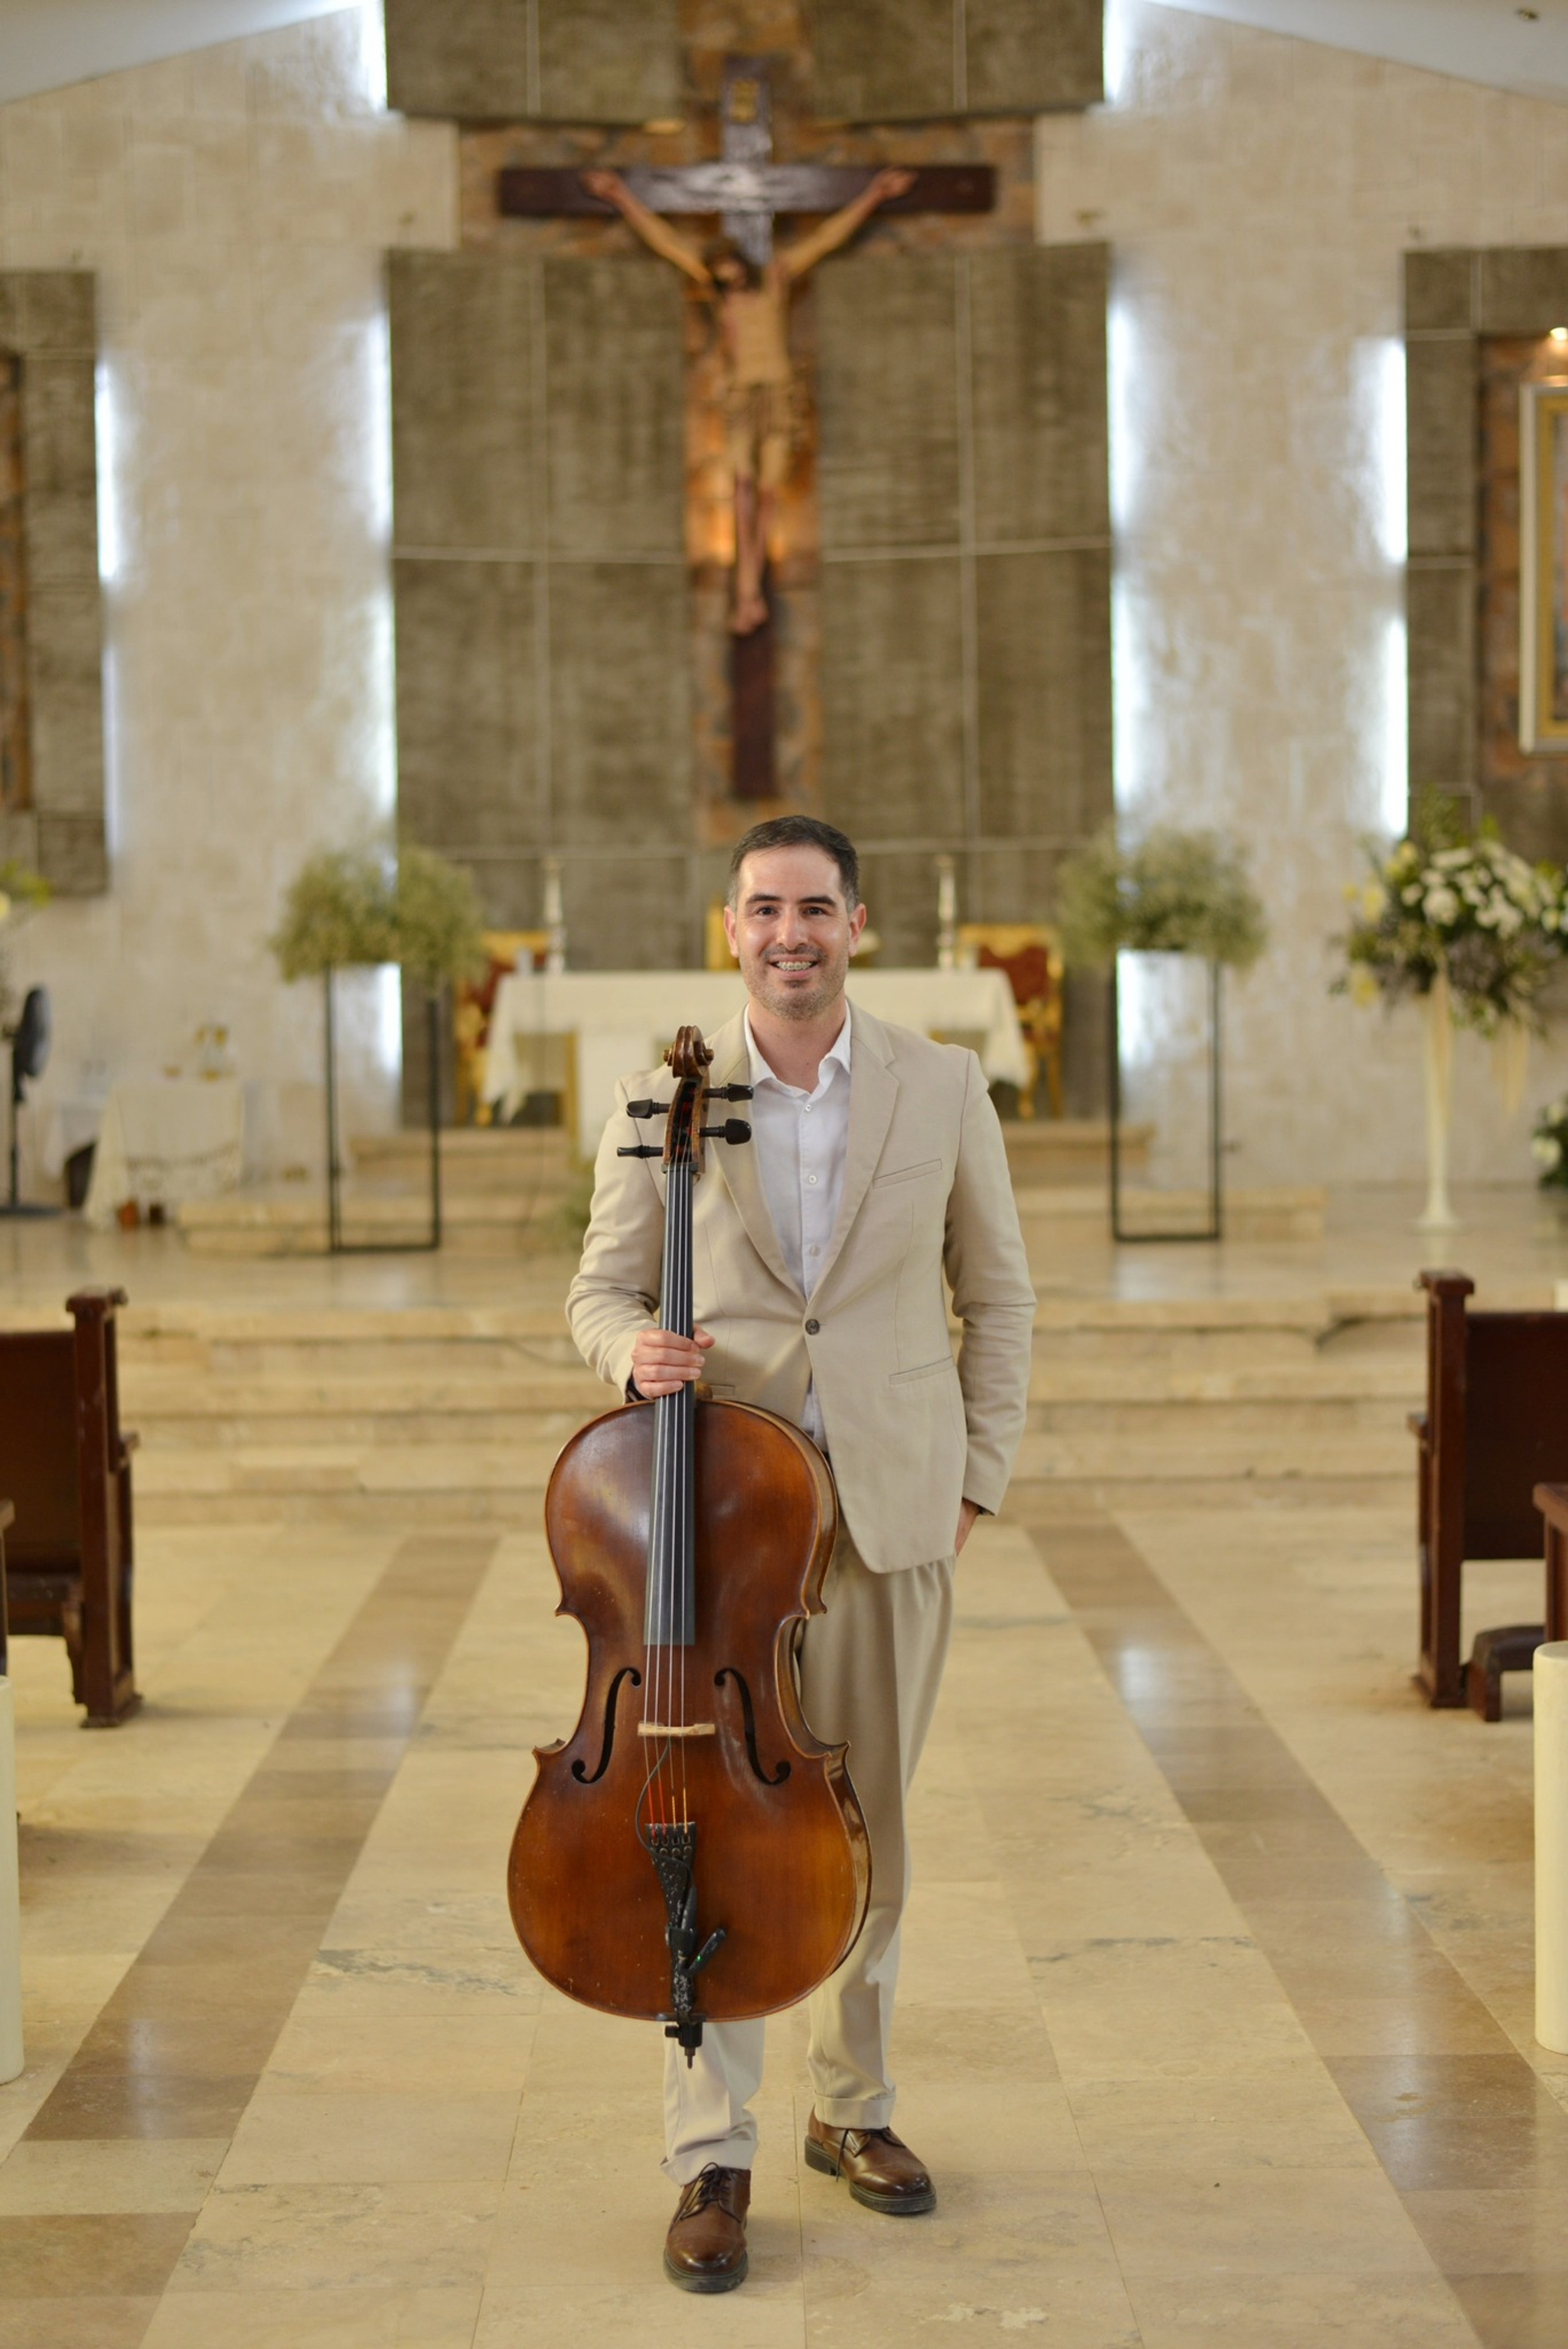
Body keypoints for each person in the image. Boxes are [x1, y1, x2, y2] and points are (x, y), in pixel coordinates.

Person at [566, 815, 1036, 2294]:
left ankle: (855, 2111)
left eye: (815, 908)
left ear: (858, 925)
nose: (790, 932)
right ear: (728, 928)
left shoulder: (945, 1086)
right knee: (705, 1829)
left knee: (866, 1829)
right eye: (764, 908)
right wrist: (622, 1350)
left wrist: (976, 1480)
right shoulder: (664, 1089)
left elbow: (999, 1299)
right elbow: (598, 1286)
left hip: (895, 1513)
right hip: (719, 1528)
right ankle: (713, 2149)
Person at [581, 167, 914, 634]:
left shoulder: (775, 279)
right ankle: (746, 591)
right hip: (741, 396)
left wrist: (874, 193)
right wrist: (620, 197)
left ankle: (751, 589)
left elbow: (825, 239)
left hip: (777, 395)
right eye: (719, 276)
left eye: (731, 270)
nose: (727, 279)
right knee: (740, 488)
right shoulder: (720, 297)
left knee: (768, 493)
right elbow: (666, 242)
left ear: (741, 262)